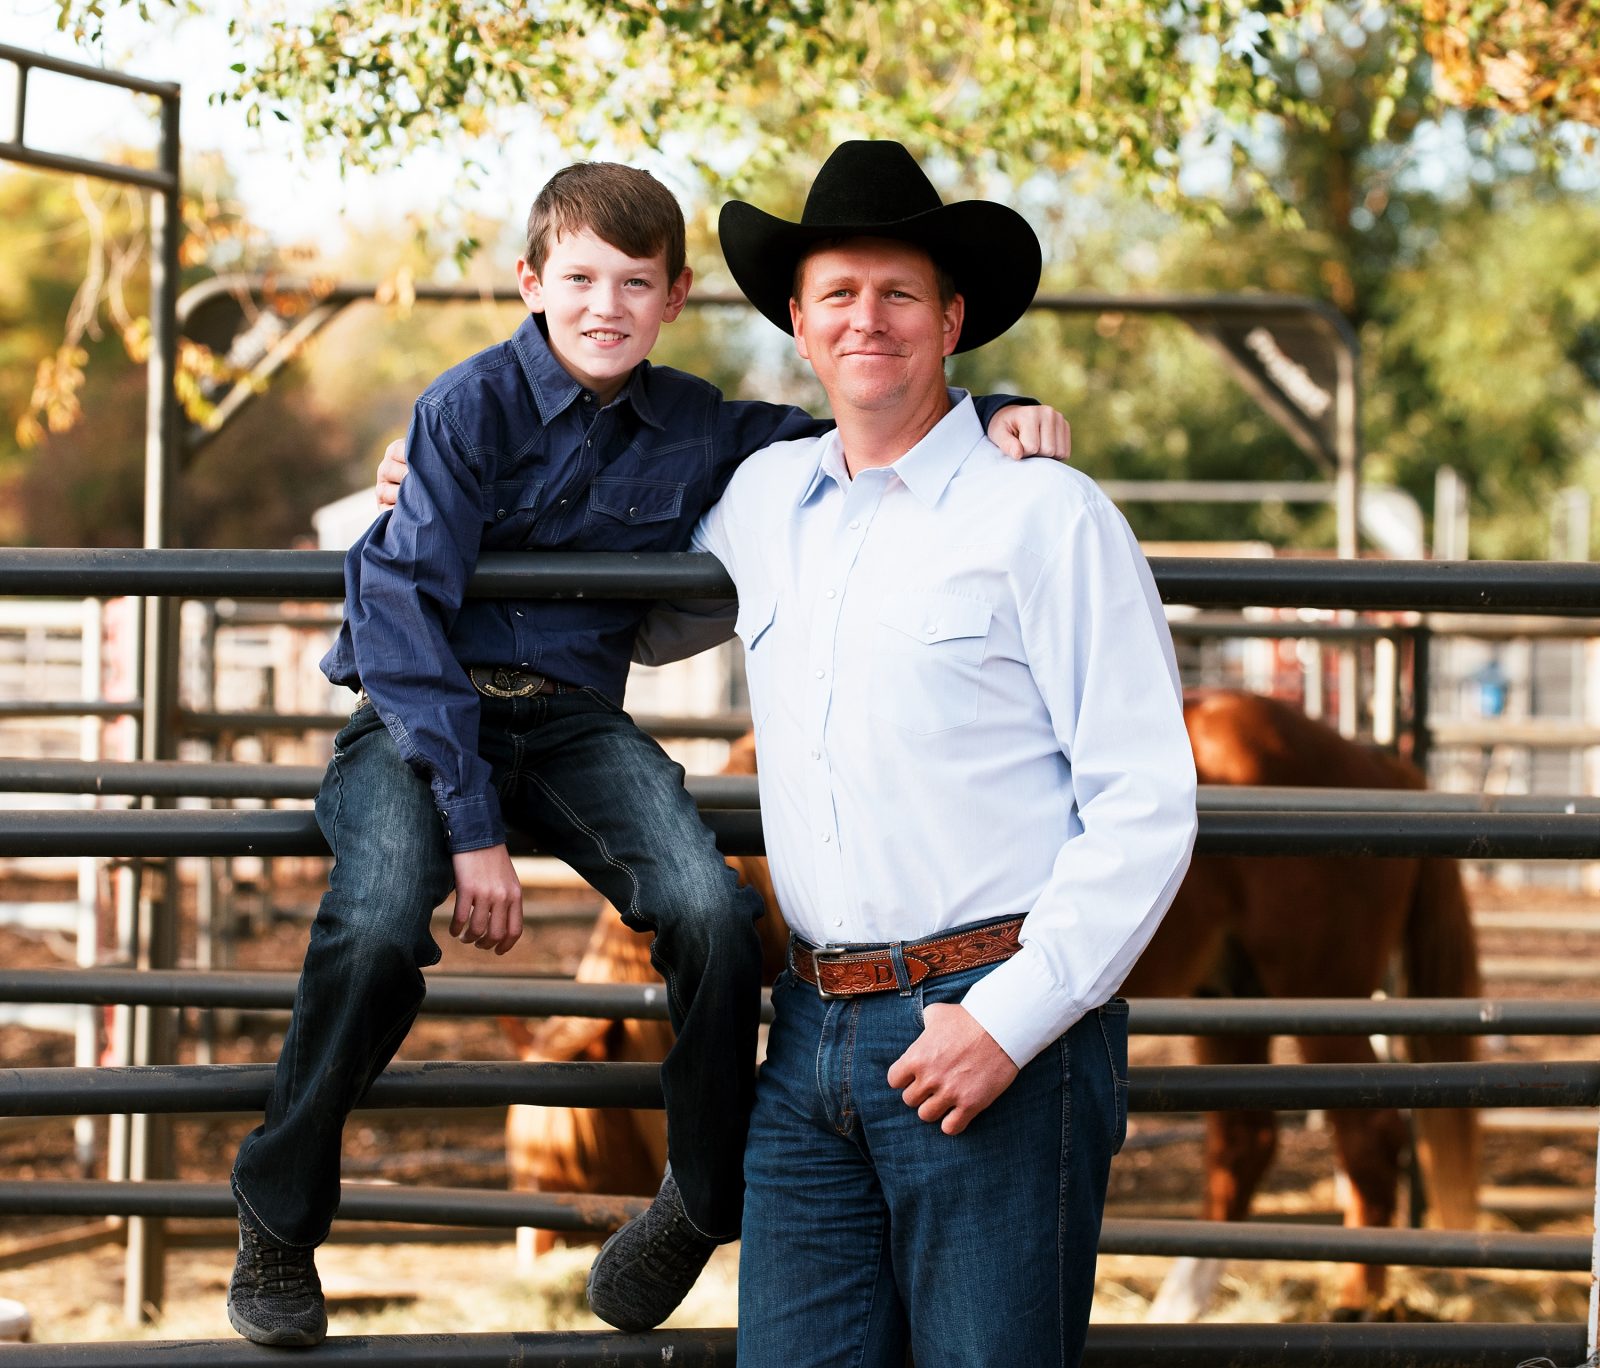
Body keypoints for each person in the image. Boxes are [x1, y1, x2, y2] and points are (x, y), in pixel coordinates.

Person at [228, 159, 1069, 1347]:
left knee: (714, 916)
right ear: (530, 283)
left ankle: (697, 1195)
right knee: (370, 924)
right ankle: (278, 1215)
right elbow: (399, 614)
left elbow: (867, 419)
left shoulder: (697, 425)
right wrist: (471, 828)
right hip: (426, 715)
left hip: (570, 720)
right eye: (577, 279)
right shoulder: (464, 410)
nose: (603, 306)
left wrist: (993, 412)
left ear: (676, 297)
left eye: (634, 282)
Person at [630, 140, 1199, 1366]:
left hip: (991, 1025)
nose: (865, 319)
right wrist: (433, 482)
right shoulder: (758, 501)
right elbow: (591, 532)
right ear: (797, 320)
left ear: (952, 321)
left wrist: (1012, 1017)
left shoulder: (1047, 515)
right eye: (837, 293)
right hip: (809, 1039)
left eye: (898, 294)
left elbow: (1145, 799)